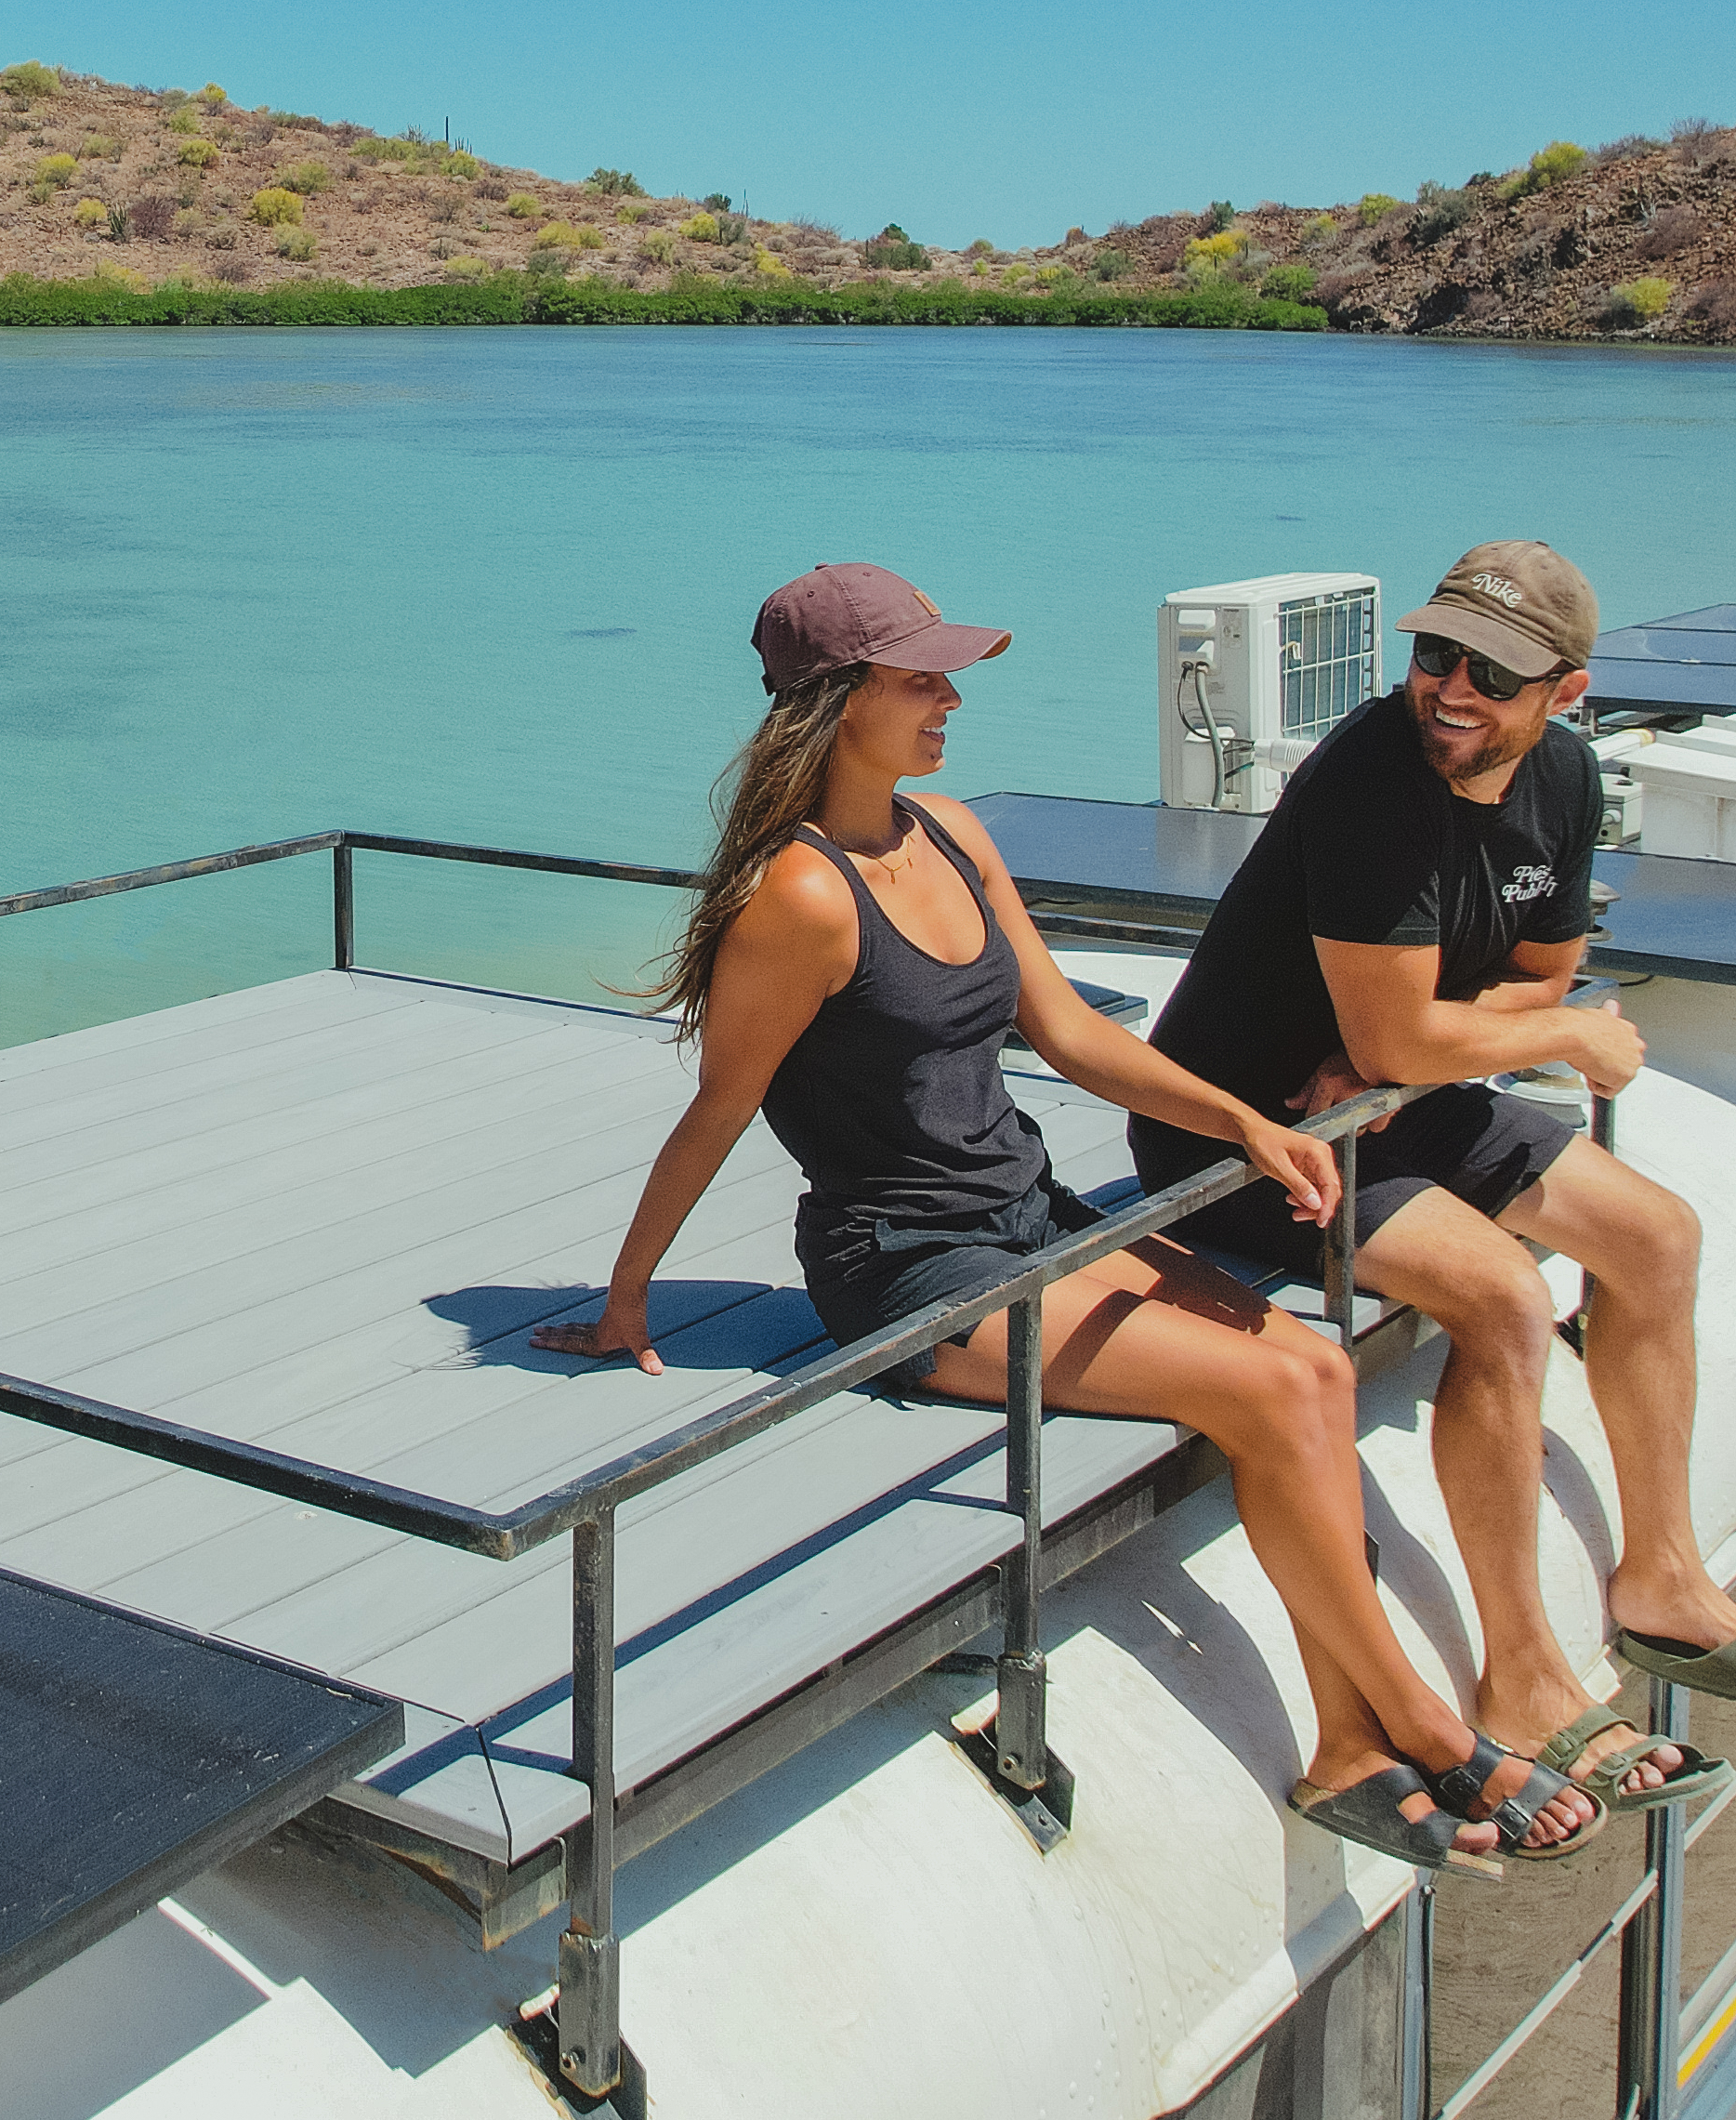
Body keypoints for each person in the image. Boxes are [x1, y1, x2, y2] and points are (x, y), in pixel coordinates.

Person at [531, 560, 1600, 1878]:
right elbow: (719, 1109)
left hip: (1033, 1213)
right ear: (833, 701)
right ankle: (1430, 1726)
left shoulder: (953, 835)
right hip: (912, 1266)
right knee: (1270, 1397)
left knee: (1311, 1367)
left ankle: (1344, 1747)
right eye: (920, 679)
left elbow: (1073, 1033)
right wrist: (630, 1297)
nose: (950, 701)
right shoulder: (798, 896)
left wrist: (1241, 1122)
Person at [1124, 540, 1736, 1822]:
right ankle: (1520, 1677)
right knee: (1509, 1297)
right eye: (1436, 657)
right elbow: (1426, 1034)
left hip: (1400, 1110)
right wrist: (1564, 1035)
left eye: (1495, 673)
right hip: (1250, 1137)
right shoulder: (1368, 777)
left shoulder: (1567, 783)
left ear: (1564, 695)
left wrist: (1469, 1039)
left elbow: (1522, 979)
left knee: (1657, 1238)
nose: (1452, 689)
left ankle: (1662, 1580)